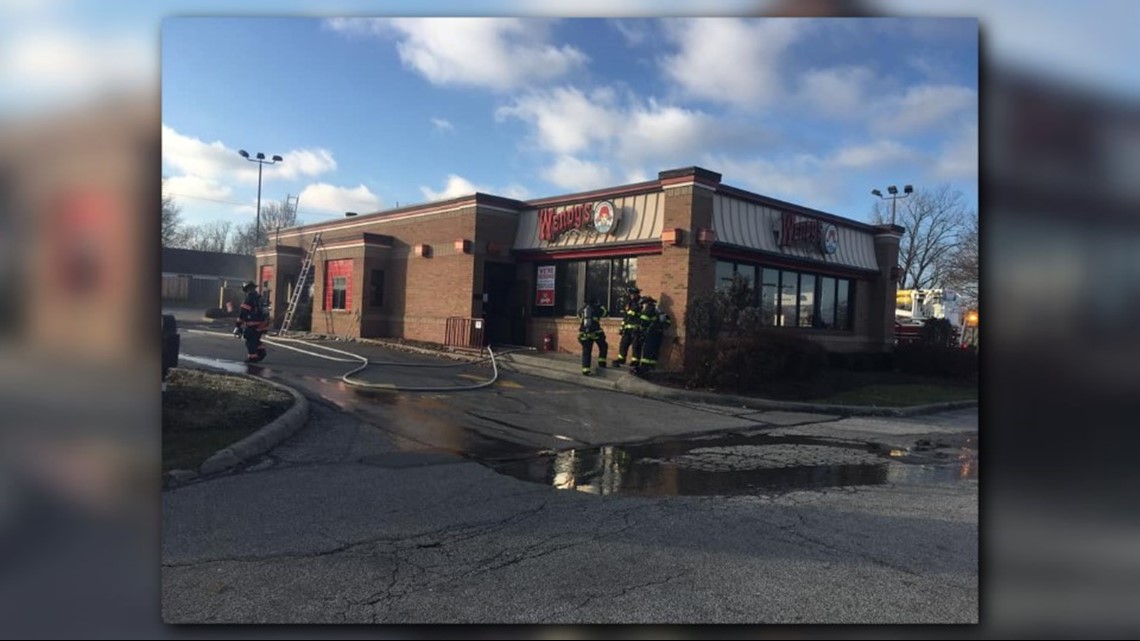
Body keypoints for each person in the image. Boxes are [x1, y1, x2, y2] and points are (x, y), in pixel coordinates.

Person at [632, 297, 672, 376]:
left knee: (647, 350)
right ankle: (651, 367)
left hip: (651, 333)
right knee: (654, 351)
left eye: (642, 304)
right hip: (658, 333)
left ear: (645, 303)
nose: (642, 306)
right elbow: (667, 321)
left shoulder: (648, 308)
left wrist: (640, 330)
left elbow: (644, 321)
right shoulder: (658, 310)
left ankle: (644, 368)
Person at [235, 281, 269, 362]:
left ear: (247, 290)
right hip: (262, 324)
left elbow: (243, 313)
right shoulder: (260, 298)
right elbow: (266, 312)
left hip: (252, 325)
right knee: (256, 339)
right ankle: (261, 352)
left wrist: (238, 326)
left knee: (250, 342)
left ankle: (252, 357)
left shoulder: (249, 299)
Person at [611, 286, 642, 368]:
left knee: (636, 345)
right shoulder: (629, 303)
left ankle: (635, 361)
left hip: (636, 329)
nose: (632, 296)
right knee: (623, 344)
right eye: (631, 294)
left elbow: (639, 315)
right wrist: (622, 328)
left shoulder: (641, 303)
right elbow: (625, 317)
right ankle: (621, 359)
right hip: (627, 329)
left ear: (637, 294)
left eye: (633, 294)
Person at [577, 298, 608, 376]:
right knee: (603, 346)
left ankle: (585, 370)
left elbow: (578, 316)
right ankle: (602, 363)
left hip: (584, 334)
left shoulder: (582, 310)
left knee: (586, 352)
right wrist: (600, 305)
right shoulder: (597, 308)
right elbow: (606, 313)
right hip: (596, 333)